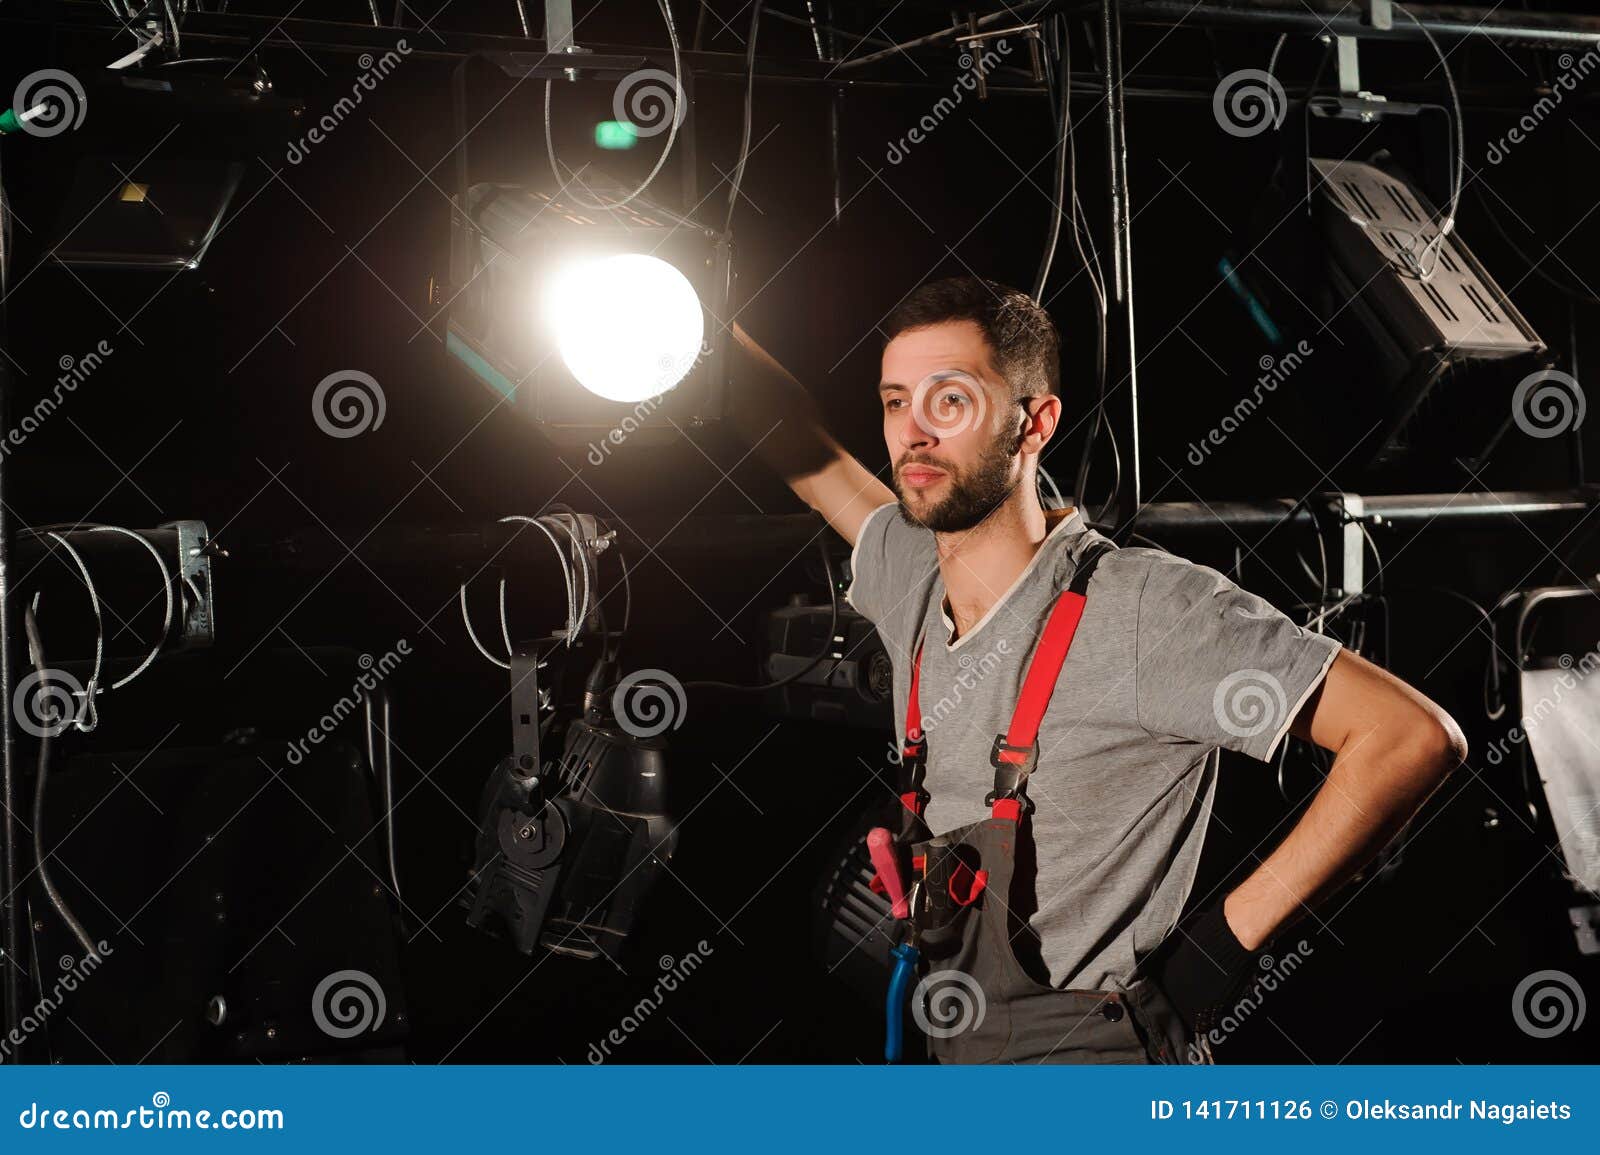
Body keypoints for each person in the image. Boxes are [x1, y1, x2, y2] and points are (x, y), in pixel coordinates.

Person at [727, 276, 1466, 1064]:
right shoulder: (908, 570)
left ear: (1034, 422)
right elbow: (806, 453)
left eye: (950, 402)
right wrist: (705, 321)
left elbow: (1409, 736)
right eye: (895, 401)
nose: (914, 433)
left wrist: (1218, 950)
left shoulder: (1143, 608)